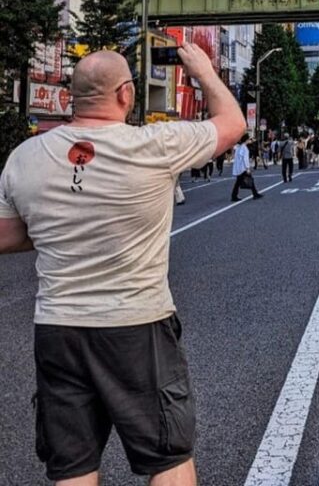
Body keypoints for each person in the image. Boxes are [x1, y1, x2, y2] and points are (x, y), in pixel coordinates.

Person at [0, 45, 245, 485]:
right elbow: (233, 125)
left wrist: (63, 225)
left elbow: (6, 236)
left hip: (58, 328)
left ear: (73, 96)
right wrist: (205, 73)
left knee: (71, 465)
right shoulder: (155, 144)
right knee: (167, 457)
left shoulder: (25, 157)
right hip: (136, 325)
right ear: (126, 94)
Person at [231, 135, 263, 201]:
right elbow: (245, 159)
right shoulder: (244, 148)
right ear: (246, 140)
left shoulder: (239, 147)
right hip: (243, 168)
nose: (250, 141)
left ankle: (234, 196)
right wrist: (247, 168)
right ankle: (255, 194)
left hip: (239, 168)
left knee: (238, 182)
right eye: (249, 139)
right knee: (249, 179)